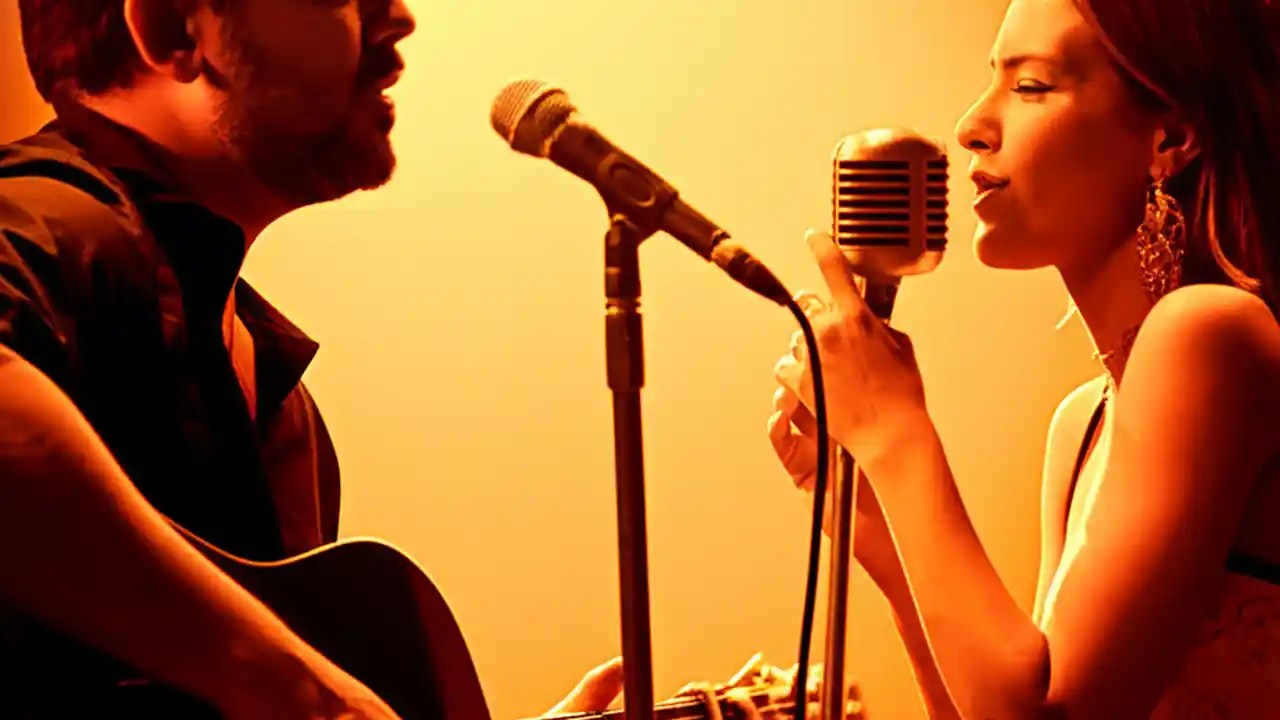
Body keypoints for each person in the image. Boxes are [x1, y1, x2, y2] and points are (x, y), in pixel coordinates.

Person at [0, 1, 635, 717]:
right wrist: (297, 687)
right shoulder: (48, 224)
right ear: (172, 28)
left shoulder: (278, 400)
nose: (396, 17)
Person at [769, 0, 1280, 717]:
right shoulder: (1083, 424)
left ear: (1170, 138)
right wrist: (883, 536)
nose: (971, 126)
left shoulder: (1211, 334)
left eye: (1030, 85)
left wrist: (896, 435)